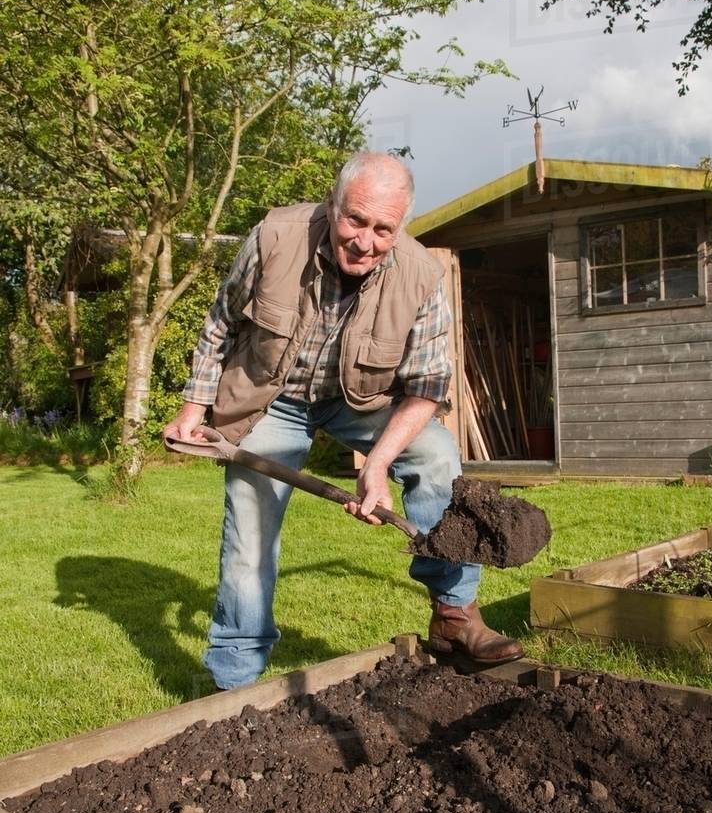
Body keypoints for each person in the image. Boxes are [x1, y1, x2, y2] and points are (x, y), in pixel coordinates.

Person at [164, 151, 522, 689]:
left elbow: (426, 389)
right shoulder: (275, 238)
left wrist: (376, 465)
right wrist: (193, 409)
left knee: (437, 453)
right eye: (355, 220)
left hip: (360, 401)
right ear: (332, 205)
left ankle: (454, 614)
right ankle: (232, 678)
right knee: (251, 525)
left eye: (384, 229)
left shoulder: (421, 275)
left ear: (399, 227)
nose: (365, 241)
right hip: (270, 397)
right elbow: (221, 322)